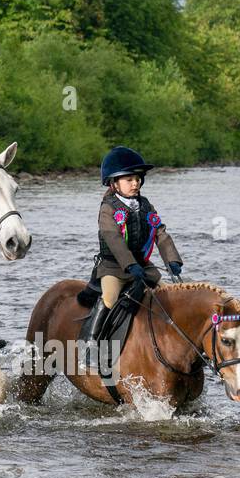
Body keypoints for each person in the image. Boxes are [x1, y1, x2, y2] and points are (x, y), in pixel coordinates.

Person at [85, 146, 184, 351]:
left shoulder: (145, 204)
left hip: (142, 266)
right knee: (110, 299)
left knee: (168, 295)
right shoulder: (108, 208)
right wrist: (130, 265)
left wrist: (172, 260)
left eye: (137, 178)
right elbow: (114, 239)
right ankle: (91, 343)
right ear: (114, 183)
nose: (135, 183)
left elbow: (160, 232)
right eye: (129, 179)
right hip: (114, 268)